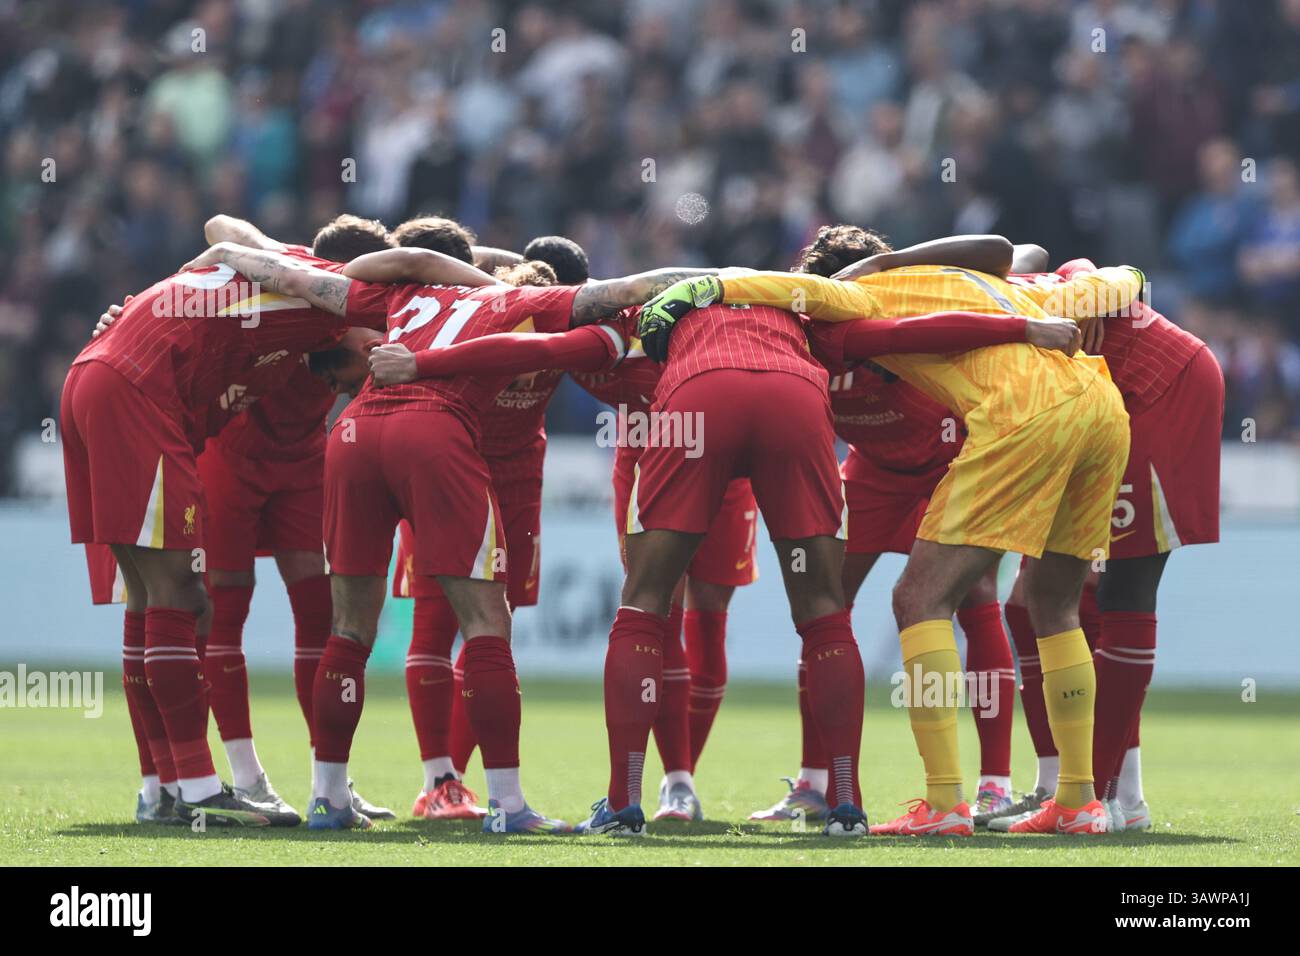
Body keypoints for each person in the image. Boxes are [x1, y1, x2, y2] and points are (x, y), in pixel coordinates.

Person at [640, 248, 1141, 836]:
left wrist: (707, 286)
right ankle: (1080, 801)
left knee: (918, 600)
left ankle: (945, 803)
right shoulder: (987, 280)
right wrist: (1095, 278)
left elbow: (785, 289)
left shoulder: (855, 292)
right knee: (1054, 606)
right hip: (1103, 411)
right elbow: (1123, 281)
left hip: (1023, 414)